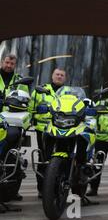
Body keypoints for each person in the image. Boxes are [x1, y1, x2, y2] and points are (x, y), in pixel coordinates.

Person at [29, 67, 67, 199]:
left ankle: (57, 188)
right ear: (52, 76)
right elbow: (30, 109)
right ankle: (41, 189)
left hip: (63, 129)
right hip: (44, 129)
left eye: (62, 75)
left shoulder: (69, 92)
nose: (59, 76)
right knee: (44, 159)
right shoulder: (40, 90)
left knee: (62, 158)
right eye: (57, 74)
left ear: (65, 78)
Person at [0, 53, 30, 201]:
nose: (9, 66)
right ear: (2, 62)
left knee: (13, 155)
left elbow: (27, 101)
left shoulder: (20, 80)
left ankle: (12, 190)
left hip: (14, 122)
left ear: (15, 65)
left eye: (12, 64)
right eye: (7, 62)